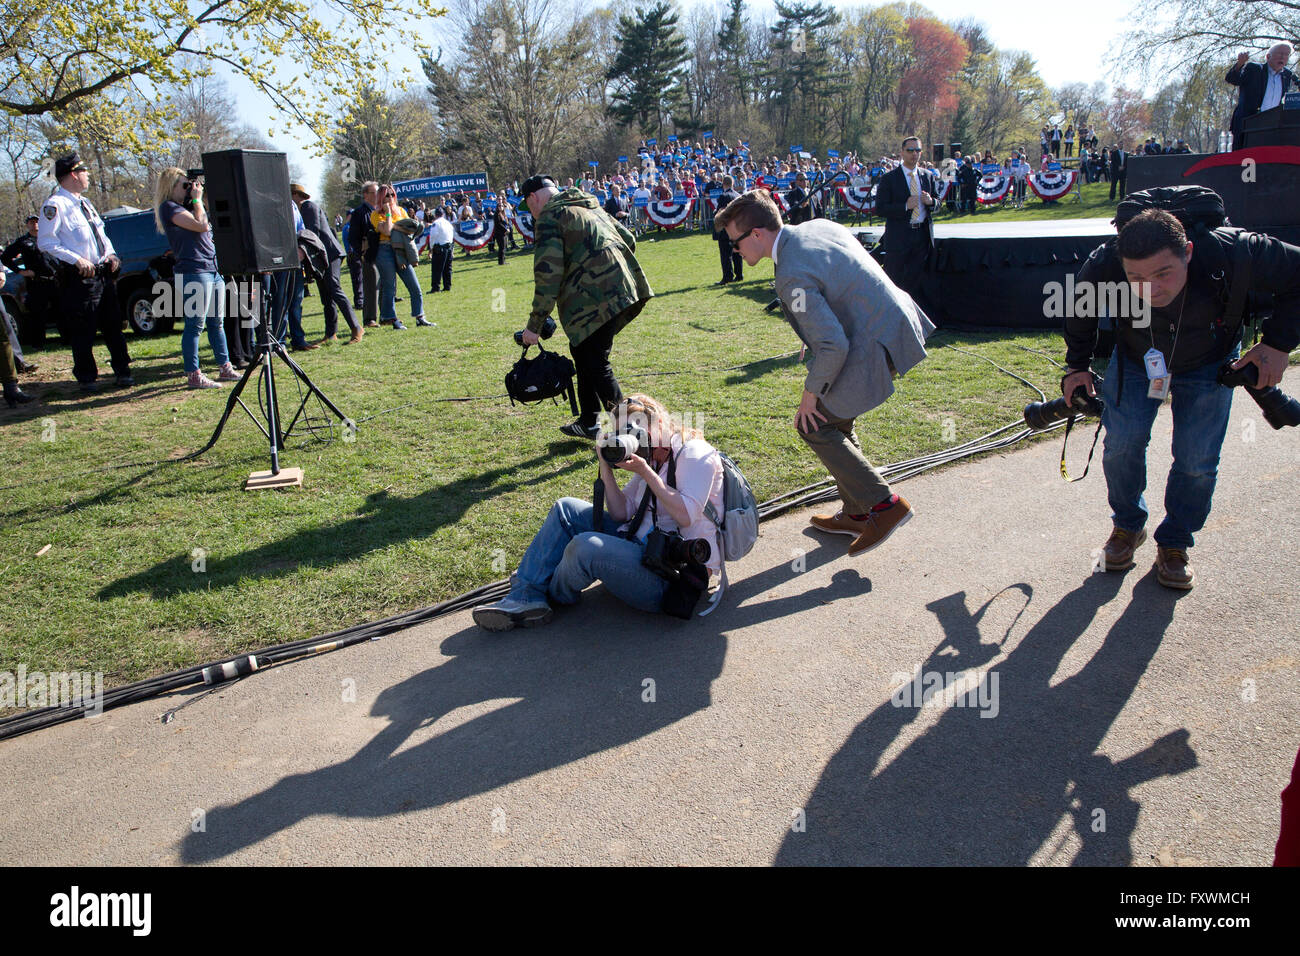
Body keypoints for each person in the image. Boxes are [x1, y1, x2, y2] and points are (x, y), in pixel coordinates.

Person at [1063, 208, 1300, 588]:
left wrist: (1278, 343)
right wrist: (1077, 365)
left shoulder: (1237, 251)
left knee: (1197, 459)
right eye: (1135, 277)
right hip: (1139, 357)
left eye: (1163, 274)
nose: (1150, 288)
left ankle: (1175, 542)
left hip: (1209, 358)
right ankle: (1127, 527)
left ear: (1188, 251)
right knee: (1121, 444)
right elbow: (1079, 307)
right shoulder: (1106, 261)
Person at [714, 188, 934, 556]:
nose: (733, 250)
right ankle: (857, 513)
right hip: (894, 322)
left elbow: (834, 345)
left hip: (870, 344)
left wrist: (809, 392)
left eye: (734, 242)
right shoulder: (817, 226)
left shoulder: (789, 274)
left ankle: (883, 505)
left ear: (756, 234)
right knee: (834, 420)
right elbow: (842, 279)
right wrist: (813, 331)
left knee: (812, 422)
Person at [471, 393, 724, 631]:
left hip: (671, 575)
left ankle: (543, 590)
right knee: (566, 508)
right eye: (623, 431)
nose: (632, 438)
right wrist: (605, 465)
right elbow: (620, 514)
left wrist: (646, 472)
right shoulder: (652, 454)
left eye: (635, 430)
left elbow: (686, 516)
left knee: (585, 547)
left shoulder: (693, 453)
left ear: (658, 422)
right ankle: (527, 594)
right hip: (641, 547)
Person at [518, 174, 652, 440]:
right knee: (581, 350)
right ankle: (589, 421)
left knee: (595, 360)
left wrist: (533, 327)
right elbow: (628, 238)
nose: (531, 213)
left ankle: (633, 430)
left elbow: (548, 275)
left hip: (594, 298)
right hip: (624, 289)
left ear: (533, 198)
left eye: (528, 206)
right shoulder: (587, 205)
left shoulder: (549, 217)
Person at [37, 152, 133, 392]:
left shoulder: (85, 203)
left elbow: (101, 235)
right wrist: (76, 260)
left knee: (113, 326)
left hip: (103, 274)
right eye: (84, 171)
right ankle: (87, 378)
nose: (88, 175)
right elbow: (46, 242)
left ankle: (123, 371)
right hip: (80, 279)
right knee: (84, 330)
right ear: (73, 175)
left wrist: (111, 255)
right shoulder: (55, 205)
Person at [154, 167, 238, 388]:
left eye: (189, 184)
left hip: (212, 268)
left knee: (216, 322)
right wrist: (198, 200)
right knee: (195, 325)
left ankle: (225, 367)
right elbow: (200, 225)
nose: (189, 189)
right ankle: (194, 374)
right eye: (184, 185)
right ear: (170, 187)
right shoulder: (169, 208)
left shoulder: (189, 206)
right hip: (193, 272)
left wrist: (199, 198)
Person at [292, 183, 362, 344]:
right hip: (319, 257)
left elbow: (311, 232)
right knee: (325, 295)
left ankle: (356, 327)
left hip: (329, 255)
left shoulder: (308, 207)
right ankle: (331, 333)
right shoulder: (302, 210)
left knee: (334, 289)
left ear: (296, 195)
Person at [875, 135, 938, 304]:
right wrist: (904, 206)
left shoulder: (927, 176)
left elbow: (938, 202)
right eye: (910, 150)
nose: (914, 154)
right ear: (902, 152)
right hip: (899, 238)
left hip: (921, 237)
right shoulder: (890, 179)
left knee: (915, 282)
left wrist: (931, 202)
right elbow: (879, 208)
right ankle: (890, 317)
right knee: (894, 281)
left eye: (917, 150)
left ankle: (913, 318)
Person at [371, 184, 426, 330]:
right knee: (389, 287)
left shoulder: (401, 211)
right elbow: (388, 231)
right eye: (386, 195)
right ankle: (393, 319)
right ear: (380, 197)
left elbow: (411, 229)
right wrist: (389, 214)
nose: (390, 198)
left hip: (401, 250)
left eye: (392, 195)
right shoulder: (375, 215)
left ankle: (420, 317)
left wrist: (395, 225)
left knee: (414, 285)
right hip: (384, 251)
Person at [1, 214, 51, 372]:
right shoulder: (23, 242)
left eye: (37, 221)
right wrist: (20, 271)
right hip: (35, 282)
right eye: (31, 222)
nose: (35, 224)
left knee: (6, 328)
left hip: (54, 280)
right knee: (38, 313)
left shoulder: (48, 237)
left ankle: (19, 364)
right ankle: (38, 343)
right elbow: (6, 257)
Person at [1226, 44, 1295, 150]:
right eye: (1280, 53)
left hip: (1270, 126)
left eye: (1286, 54)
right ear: (1268, 57)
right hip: (1249, 123)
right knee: (1242, 158)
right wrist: (1240, 64)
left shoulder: (1287, 75)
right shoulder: (1255, 69)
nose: (1283, 57)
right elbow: (1232, 79)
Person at [349, 182, 381, 328]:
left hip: (381, 251)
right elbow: (353, 236)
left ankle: (386, 315)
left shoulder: (378, 210)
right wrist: (361, 253)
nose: (377, 195)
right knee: (371, 285)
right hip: (368, 254)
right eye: (374, 192)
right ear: (365, 194)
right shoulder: (359, 212)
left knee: (383, 284)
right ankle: (369, 319)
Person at [712, 175, 744, 284]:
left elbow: (721, 212)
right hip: (737, 228)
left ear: (723, 183)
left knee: (725, 254)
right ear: (733, 183)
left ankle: (727, 276)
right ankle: (739, 274)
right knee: (736, 252)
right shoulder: (738, 195)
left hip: (726, 228)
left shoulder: (723, 196)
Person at [427, 206, 454, 292]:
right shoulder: (448, 223)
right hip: (448, 247)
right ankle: (447, 286)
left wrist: (431, 248)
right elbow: (452, 236)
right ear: (443, 214)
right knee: (447, 269)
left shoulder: (436, 223)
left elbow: (433, 236)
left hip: (439, 248)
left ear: (435, 215)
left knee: (436, 269)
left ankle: (435, 288)